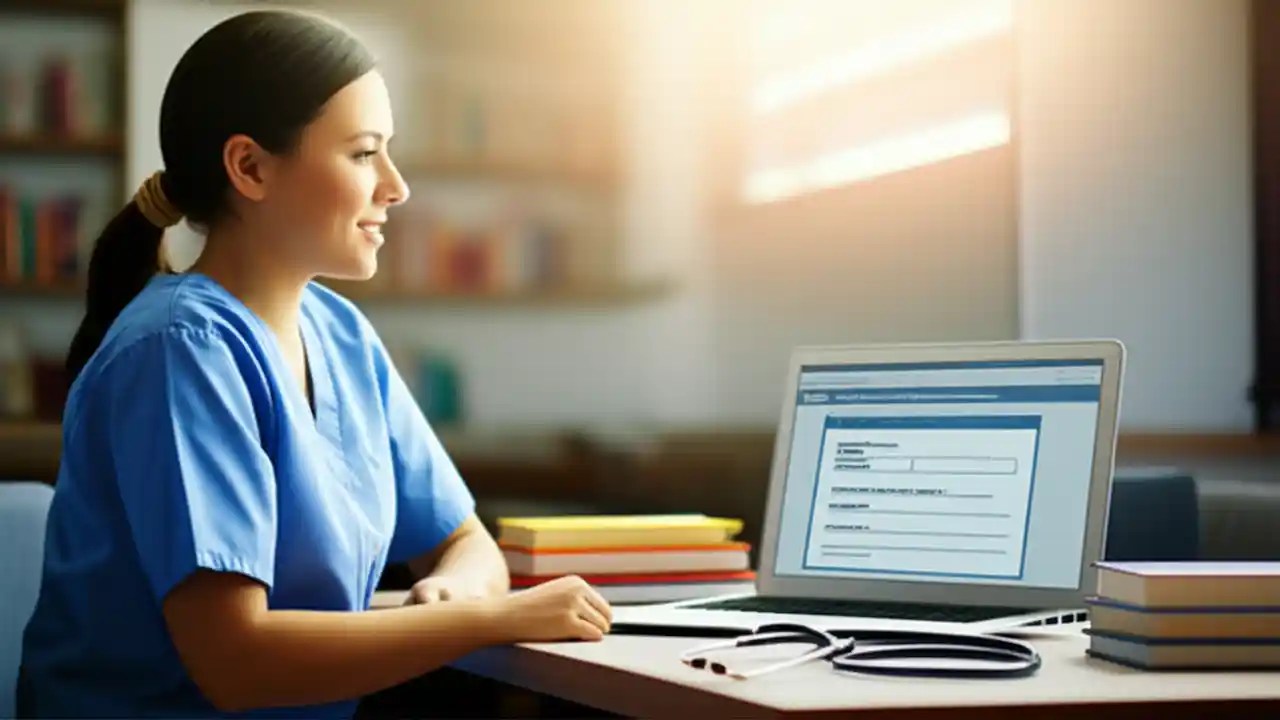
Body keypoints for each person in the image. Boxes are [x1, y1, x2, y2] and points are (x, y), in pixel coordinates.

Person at [16, 10, 611, 719]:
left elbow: (465, 542)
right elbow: (236, 663)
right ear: (251, 167)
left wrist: (453, 593)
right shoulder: (180, 351)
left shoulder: (342, 335)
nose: (396, 186)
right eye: (363, 154)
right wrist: (493, 619)